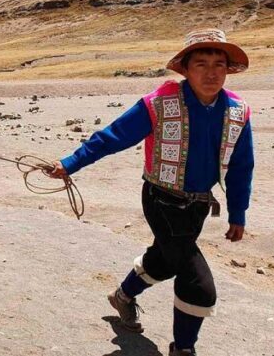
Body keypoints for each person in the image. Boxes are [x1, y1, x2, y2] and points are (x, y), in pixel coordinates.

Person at [49, 28, 254, 356]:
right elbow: (113, 136)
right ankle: (183, 348)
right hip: (161, 200)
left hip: (198, 206)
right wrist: (70, 163)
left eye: (219, 64)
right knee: (196, 281)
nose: (211, 73)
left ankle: (122, 296)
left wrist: (238, 212)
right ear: (185, 69)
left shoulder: (237, 111)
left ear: (228, 69)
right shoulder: (160, 103)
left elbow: (243, 165)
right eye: (201, 64)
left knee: (166, 260)